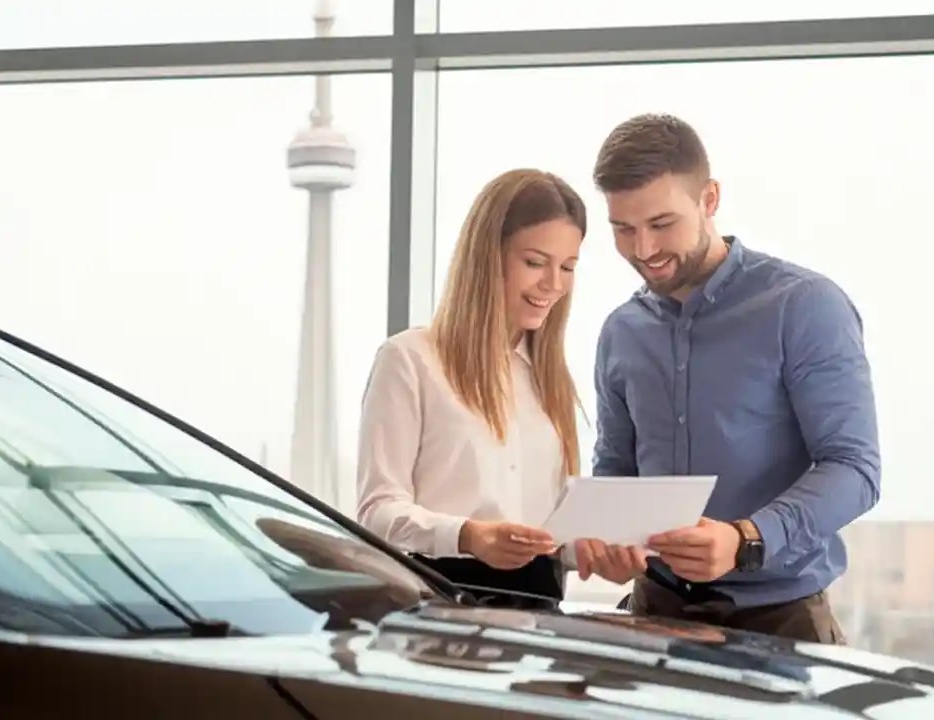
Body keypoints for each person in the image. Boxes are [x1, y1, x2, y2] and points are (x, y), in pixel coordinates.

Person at [576, 113, 880, 643]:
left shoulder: (804, 307)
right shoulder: (621, 331)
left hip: (781, 624)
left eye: (661, 224)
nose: (643, 250)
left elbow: (855, 469)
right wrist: (608, 539)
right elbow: (617, 470)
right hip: (652, 615)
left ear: (709, 199)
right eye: (623, 229)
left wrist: (747, 539)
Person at [356, 168, 604, 609]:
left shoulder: (551, 380)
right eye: (534, 262)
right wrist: (469, 535)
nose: (554, 285)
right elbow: (377, 513)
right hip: (439, 609)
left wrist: (591, 551)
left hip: (538, 616)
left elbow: (554, 531)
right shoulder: (410, 359)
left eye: (567, 267)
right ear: (487, 256)